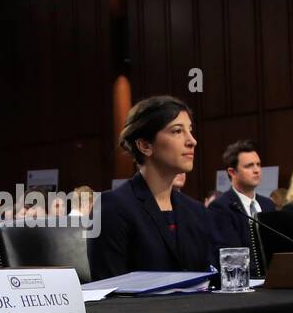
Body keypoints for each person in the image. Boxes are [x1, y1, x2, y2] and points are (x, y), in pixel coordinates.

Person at [87, 95, 217, 279]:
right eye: (177, 131)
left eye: (190, 130)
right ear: (145, 145)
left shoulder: (195, 211)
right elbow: (109, 292)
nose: (192, 141)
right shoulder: (111, 208)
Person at [208, 139, 276, 253]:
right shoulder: (221, 207)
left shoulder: (268, 204)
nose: (256, 170)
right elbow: (233, 253)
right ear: (232, 172)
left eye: (258, 164)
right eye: (249, 166)